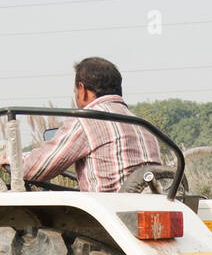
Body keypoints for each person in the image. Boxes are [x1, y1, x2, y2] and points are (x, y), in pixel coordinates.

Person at [15, 57, 162, 192]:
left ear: (82, 89)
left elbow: (37, 167)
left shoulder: (86, 120)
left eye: (75, 92)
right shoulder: (145, 128)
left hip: (110, 211)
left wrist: (13, 160)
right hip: (151, 208)